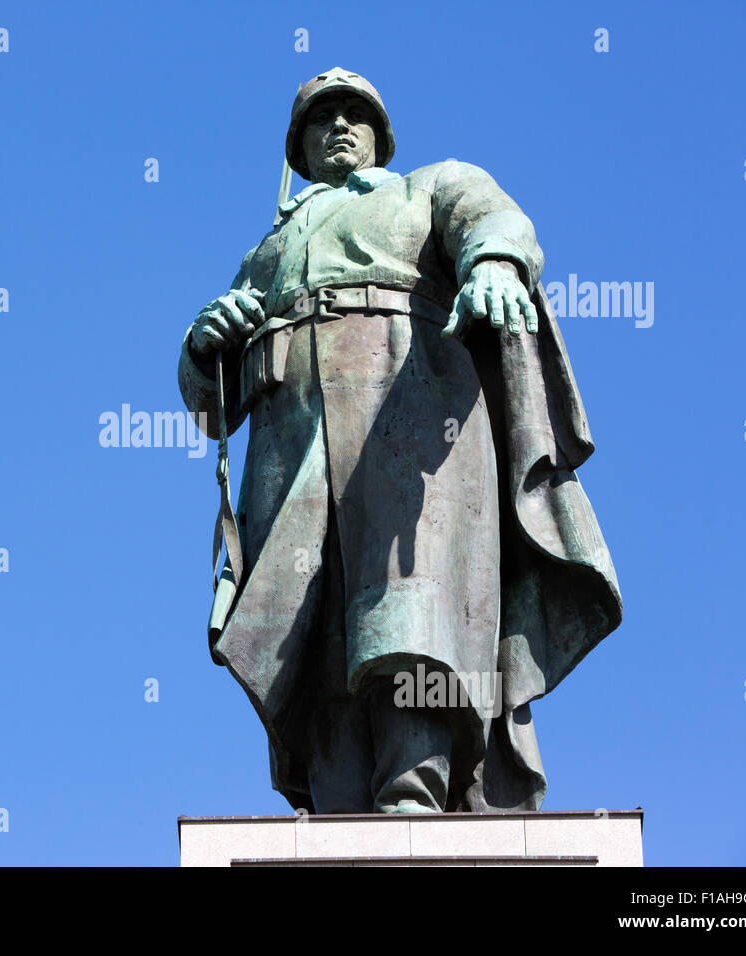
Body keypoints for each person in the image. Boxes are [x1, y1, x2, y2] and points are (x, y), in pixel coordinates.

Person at [178, 68, 623, 813]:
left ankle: (413, 795)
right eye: (322, 119)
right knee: (310, 627)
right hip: (295, 441)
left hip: (413, 407)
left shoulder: (428, 186)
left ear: (381, 135)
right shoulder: (268, 250)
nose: (340, 127)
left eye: (356, 114)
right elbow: (207, 411)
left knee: (412, 606)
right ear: (299, 146)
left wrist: (492, 264)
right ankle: (339, 804)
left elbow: (495, 220)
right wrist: (202, 349)